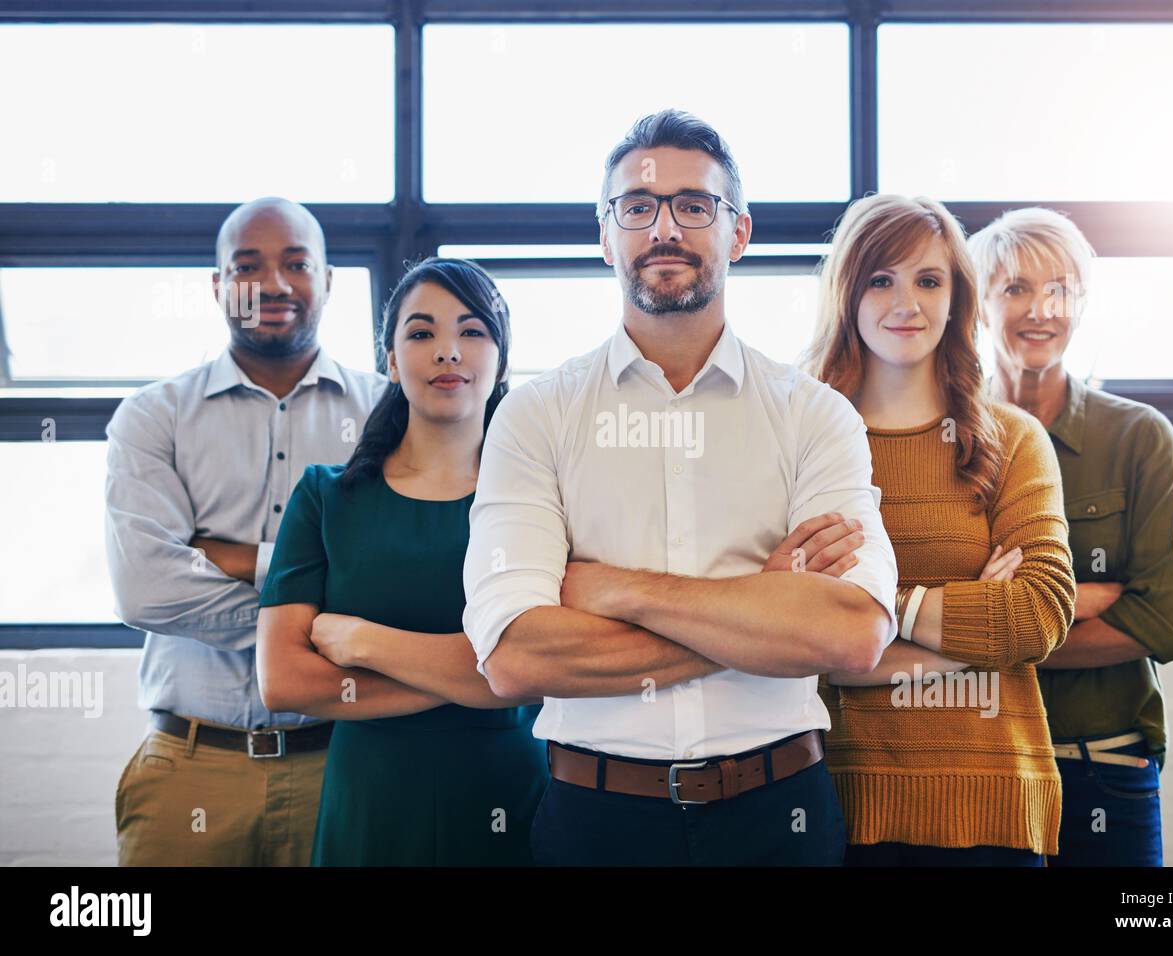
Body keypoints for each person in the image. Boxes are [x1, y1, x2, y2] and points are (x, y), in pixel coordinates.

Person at [460, 109, 899, 867]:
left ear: (738, 232)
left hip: (778, 815)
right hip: (596, 823)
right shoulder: (535, 415)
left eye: (694, 205)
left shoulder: (813, 415)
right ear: (606, 235)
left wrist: (613, 590)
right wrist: (760, 603)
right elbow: (513, 656)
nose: (665, 227)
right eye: (637, 207)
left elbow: (849, 632)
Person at [107, 197, 388, 865]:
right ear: (216, 285)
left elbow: (394, 584)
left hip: (341, 767)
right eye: (247, 266)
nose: (274, 285)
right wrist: (317, 598)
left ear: (327, 281)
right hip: (190, 766)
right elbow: (146, 592)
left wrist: (225, 557)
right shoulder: (154, 417)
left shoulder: (387, 414)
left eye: (297, 263)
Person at [808, 193, 1077, 866]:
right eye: (881, 279)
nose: (908, 303)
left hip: (994, 803)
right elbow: (798, 647)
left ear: (958, 296)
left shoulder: (1012, 439)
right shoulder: (803, 444)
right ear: (847, 293)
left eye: (929, 280)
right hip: (841, 801)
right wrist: (969, 639)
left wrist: (877, 609)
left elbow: (1039, 614)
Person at [256, 257, 548, 866]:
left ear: (500, 358)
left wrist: (364, 641)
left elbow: (537, 667)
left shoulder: (542, 500)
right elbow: (284, 680)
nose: (448, 351)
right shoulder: (325, 497)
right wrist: (478, 679)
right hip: (371, 804)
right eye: (421, 333)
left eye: (472, 332)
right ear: (389, 359)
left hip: (511, 799)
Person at [970, 207, 1173, 866]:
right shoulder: (938, 439)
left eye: (1060, 290)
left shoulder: (1139, 438)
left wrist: (991, 636)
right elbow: (911, 605)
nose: (1040, 309)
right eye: (1014, 288)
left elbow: (1160, 622)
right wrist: (1084, 599)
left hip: (1104, 767)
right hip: (979, 767)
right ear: (979, 305)